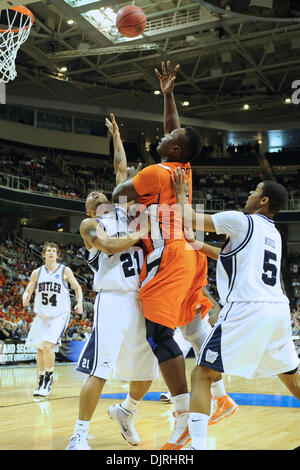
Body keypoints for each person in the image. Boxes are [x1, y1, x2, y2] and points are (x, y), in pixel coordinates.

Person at [111, 61, 212, 450]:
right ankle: (215, 399)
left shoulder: (156, 172)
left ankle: (186, 416)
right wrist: (168, 94)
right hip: (189, 254)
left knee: (159, 336)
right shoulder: (181, 166)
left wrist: (138, 205)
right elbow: (175, 130)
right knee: (185, 328)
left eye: (169, 137)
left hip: (168, 254)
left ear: (173, 149)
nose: (164, 135)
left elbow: (120, 192)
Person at [172, 171, 300, 450]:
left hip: (247, 308)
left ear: (264, 200)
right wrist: (196, 245)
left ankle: (198, 447)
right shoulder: (274, 234)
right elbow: (228, 257)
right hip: (277, 310)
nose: (249, 195)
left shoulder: (241, 220)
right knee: (291, 377)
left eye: (254, 191)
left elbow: (190, 217)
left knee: (201, 374)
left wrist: (182, 196)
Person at [66, 114, 159, 451]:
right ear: (89, 208)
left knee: (146, 370)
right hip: (114, 298)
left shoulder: (123, 210)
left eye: (98, 192)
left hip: (142, 298)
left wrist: (117, 136)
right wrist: (138, 235)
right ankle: (78, 434)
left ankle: (126, 411)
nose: (96, 194)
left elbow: (121, 171)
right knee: (100, 370)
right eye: (90, 197)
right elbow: (107, 245)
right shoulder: (90, 226)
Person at [23, 242, 83, 398]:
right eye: (48, 250)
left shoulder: (64, 270)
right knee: (39, 348)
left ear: (57, 255)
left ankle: (49, 378)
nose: (51, 253)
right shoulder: (37, 272)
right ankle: (41, 378)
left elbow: (77, 287)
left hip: (59, 314)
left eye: (54, 251)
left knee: (47, 345)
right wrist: (26, 295)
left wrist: (80, 302)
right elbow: (30, 287)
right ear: (43, 254)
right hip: (42, 314)